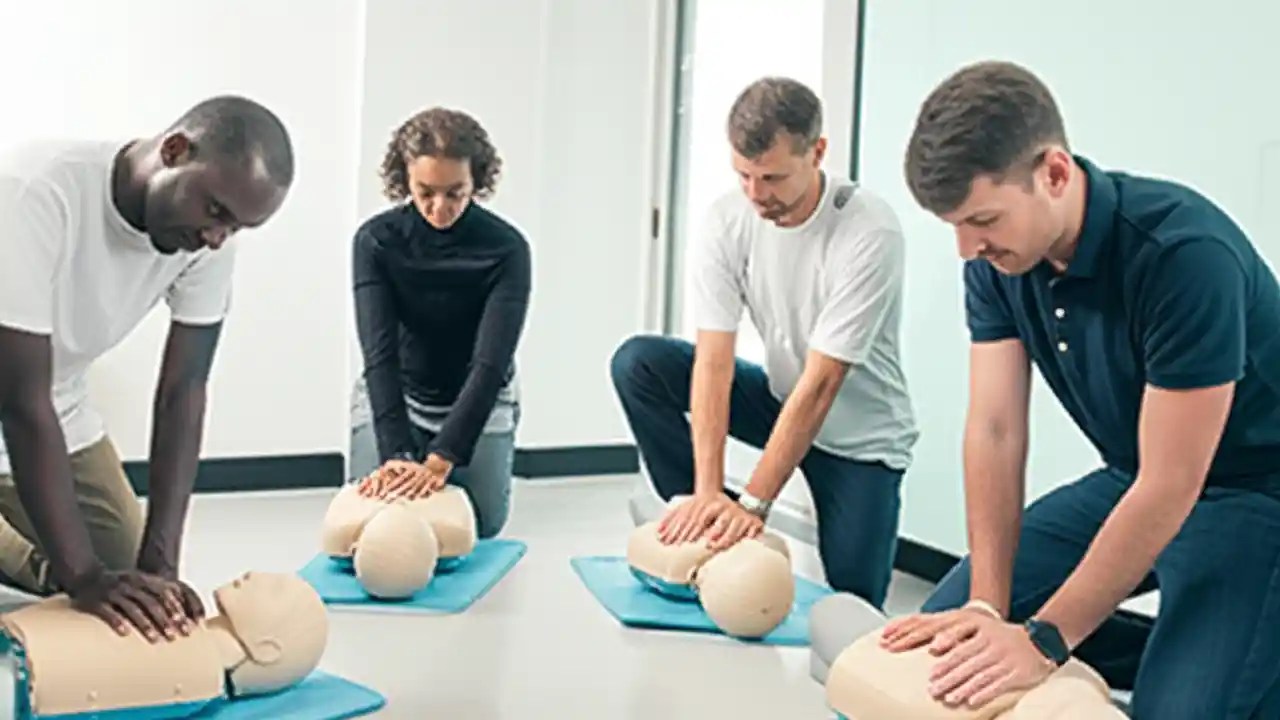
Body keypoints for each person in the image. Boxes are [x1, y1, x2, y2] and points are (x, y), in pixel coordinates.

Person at [879, 60, 1280, 720]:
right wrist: (987, 605)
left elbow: (1173, 482)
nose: (965, 248)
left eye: (981, 218)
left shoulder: (1184, 255)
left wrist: (1044, 639)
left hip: (1250, 492)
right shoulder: (997, 258)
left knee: (1180, 711)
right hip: (1133, 473)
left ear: (1055, 174)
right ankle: (1169, 640)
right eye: (953, 224)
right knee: (945, 639)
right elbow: (995, 430)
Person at [610, 77, 918, 608]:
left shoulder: (869, 231)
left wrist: (754, 503)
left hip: (858, 439)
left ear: (817, 152)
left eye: (772, 177)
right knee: (640, 363)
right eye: (744, 175)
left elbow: (823, 385)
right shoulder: (729, 218)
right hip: (780, 401)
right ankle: (704, 514)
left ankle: (736, 517)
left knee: (854, 604)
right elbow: (713, 361)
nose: (756, 194)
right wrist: (710, 488)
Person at [0, 96, 294, 641]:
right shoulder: (32, 192)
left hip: (55, 407)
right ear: (175, 151)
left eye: (236, 228)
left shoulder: (208, 240)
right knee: (86, 572)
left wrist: (161, 563)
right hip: (22, 401)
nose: (217, 237)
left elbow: (184, 389)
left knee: (124, 569)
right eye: (215, 212)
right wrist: (83, 577)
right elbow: (19, 402)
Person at [349, 107, 531, 540]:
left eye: (456, 193)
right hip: (401, 391)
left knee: (478, 527)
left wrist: (443, 455)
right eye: (425, 192)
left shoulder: (507, 248)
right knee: (372, 519)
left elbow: (490, 362)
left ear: (477, 183)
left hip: (479, 397)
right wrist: (396, 451)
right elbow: (379, 353)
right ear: (405, 180)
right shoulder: (375, 241)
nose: (439, 208)